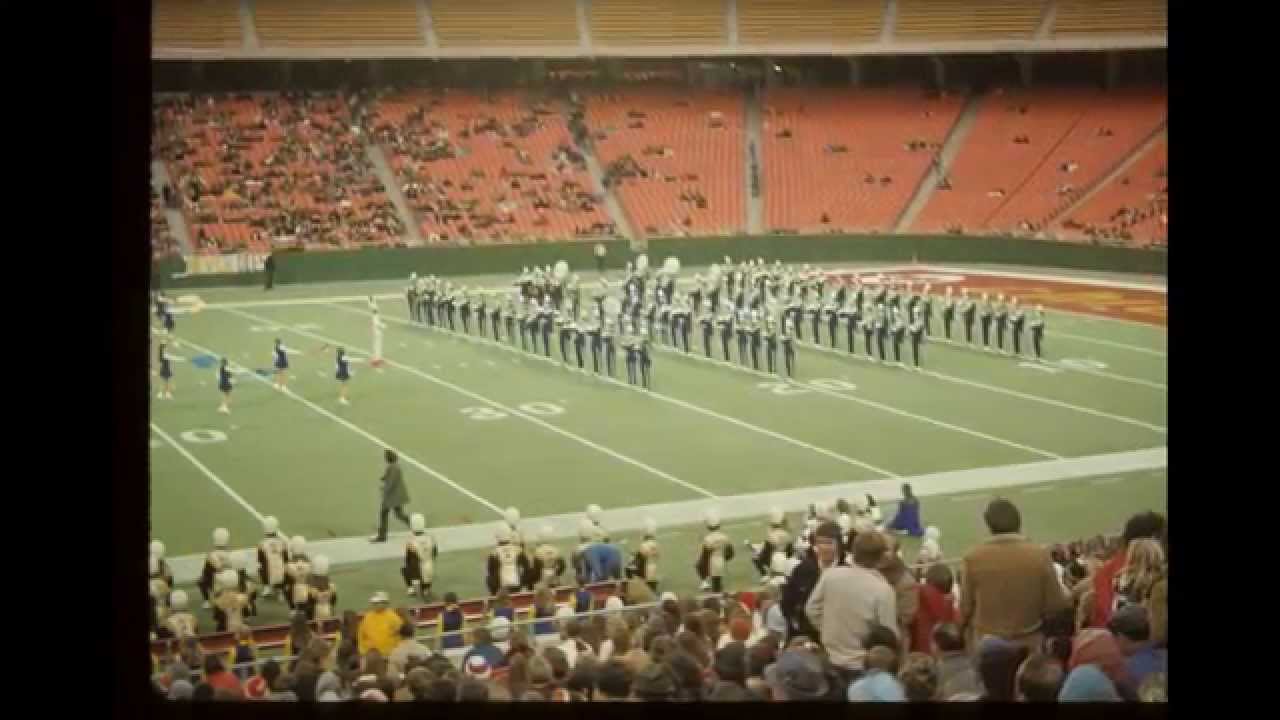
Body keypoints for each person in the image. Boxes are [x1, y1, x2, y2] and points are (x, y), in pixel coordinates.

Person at [959, 498, 1069, 655]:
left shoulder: (973, 558)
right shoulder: (1039, 555)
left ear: (989, 524)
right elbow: (1055, 605)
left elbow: (965, 608)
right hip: (1029, 642)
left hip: (988, 645)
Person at [804, 529, 898, 681]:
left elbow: (811, 610)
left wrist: (828, 630)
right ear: (880, 558)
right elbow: (889, 635)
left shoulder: (831, 575)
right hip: (860, 664)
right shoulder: (883, 590)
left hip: (834, 657)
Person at [370, 449, 411, 543]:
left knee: (384, 513)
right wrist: (384, 477)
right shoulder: (395, 466)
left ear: (388, 458)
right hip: (396, 495)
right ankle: (415, 525)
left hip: (392, 496)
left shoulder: (392, 468)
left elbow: (391, 482)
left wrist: (384, 491)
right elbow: (390, 477)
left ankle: (382, 536)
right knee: (399, 514)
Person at [401, 513, 438, 600]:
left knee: (404, 569)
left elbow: (408, 558)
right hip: (429, 566)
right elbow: (435, 552)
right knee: (427, 577)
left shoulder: (411, 541)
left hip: (417, 569)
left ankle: (411, 588)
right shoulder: (430, 538)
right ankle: (426, 589)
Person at [357, 592, 403, 658]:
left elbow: (400, 636)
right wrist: (362, 650)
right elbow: (361, 635)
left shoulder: (393, 618)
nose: (375, 605)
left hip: (389, 655)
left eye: (377, 603)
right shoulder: (367, 617)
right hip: (370, 655)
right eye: (374, 603)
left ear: (385, 603)